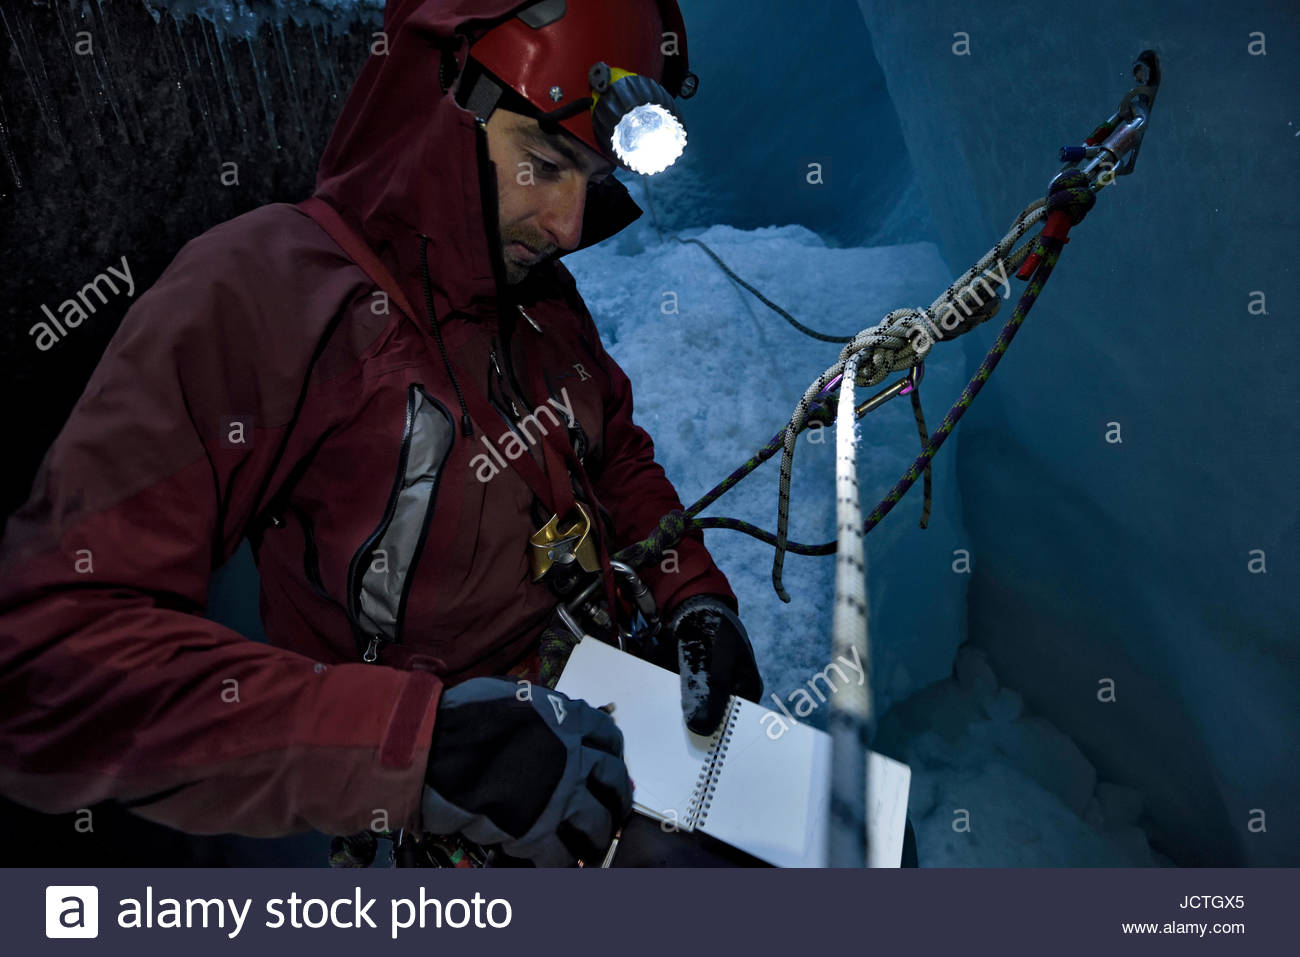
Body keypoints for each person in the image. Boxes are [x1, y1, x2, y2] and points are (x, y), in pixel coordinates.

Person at [0, 0, 762, 868]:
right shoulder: (257, 296)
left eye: (588, 182)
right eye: (544, 164)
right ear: (445, 98)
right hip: (450, 816)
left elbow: (612, 450)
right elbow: (46, 657)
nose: (567, 227)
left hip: (606, 700)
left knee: (869, 844)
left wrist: (691, 593)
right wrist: (420, 750)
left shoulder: (536, 289)